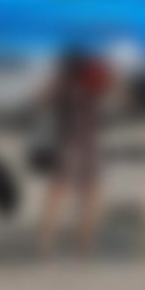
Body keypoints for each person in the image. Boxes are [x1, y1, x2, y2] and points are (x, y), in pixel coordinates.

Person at [39, 52, 108, 254]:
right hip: (82, 140)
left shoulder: (69, 78)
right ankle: (82, 241)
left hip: (72, 140)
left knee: (66, 189)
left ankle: (53, 240)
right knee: (85, 191)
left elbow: (43, 99)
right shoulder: (93, 74)